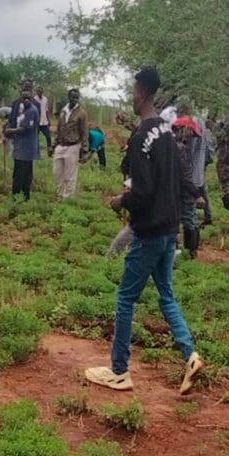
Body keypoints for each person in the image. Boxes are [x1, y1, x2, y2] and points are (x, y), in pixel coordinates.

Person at [83, 67, 203, 394]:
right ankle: (190, 354)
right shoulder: (167, 132)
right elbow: (181, 177)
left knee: (125, 298)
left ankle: (119, 371)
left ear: (141, 93)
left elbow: (144, 191)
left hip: (149, 230)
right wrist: (198, 198)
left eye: (133, 90)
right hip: (170, 228)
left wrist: (121, 200)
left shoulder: (140, 139)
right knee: (166, 294)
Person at [50, 87, 89, 200]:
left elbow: (85, 132)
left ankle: (68, 199)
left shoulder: (82, 114)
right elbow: (59, 129)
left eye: (76, 97)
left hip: (73, 147)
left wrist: (85, 150)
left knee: (70, 176)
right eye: (72, 97)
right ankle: (60, 195)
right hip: (60, 145)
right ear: (68, 97)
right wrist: (53, 145)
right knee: (57, 173)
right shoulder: (63, 110)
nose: (74, 99)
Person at [5, 82, 42, 200]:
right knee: (23, 172)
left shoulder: (32, 110)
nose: (26, 100)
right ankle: (23, 197)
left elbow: (24, 129)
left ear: (31, 97)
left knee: (21, 174)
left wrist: (9, 131)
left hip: (26, 147)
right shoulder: (18, 104)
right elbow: (13, 119)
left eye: (28, 98)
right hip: (20, 144)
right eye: (24, 97)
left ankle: (18, 197)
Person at [174, 120, 203, 258]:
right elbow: (185, 176)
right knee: (189, 220)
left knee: (184, 221)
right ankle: (191, 251)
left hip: (179, 190)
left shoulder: (177, 147)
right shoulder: (181, 149)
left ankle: (188, 251)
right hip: (183, 190)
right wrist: (196, 193)